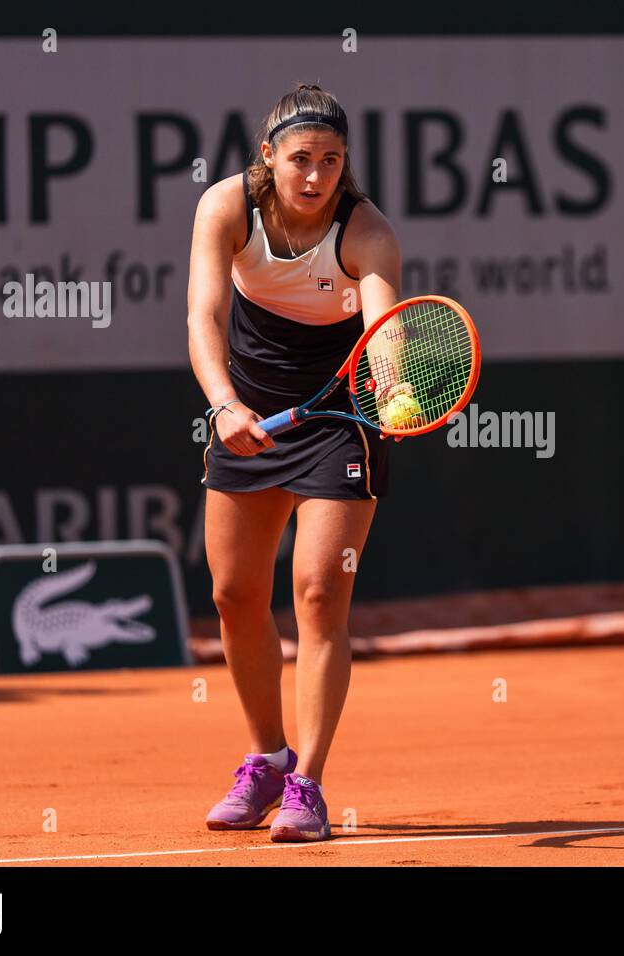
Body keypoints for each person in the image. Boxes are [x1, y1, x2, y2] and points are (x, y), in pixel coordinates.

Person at [187, 84, 401, 840]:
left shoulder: (366, 231)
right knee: (234, 593)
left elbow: (386, 327)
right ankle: (266, 759)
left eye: (332, 162)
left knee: (316, 594)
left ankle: (307, 783)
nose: (315, 176)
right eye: (301, 158)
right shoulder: (224, 208)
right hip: (248, 410)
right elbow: (204, 315)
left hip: (339, 419)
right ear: (268, 157)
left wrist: (397, 386)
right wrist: (223, 404)